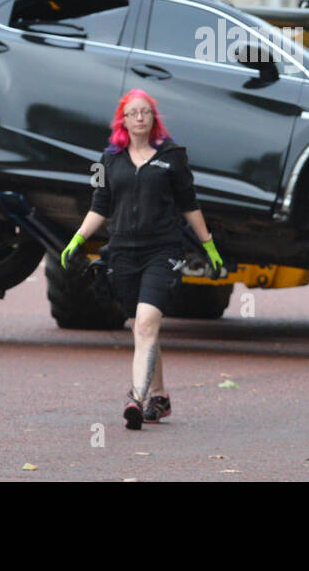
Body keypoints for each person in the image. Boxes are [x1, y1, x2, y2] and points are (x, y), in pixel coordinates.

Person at [60, 89, 223, 430]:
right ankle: (160, 397)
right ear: (122, 120)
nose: (139, 118)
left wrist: (208, 245)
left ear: (153, 119)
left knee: (147, 324)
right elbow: (99, 206)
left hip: (163, 250)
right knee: (141, 329)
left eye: (145, 112)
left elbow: (189, 204)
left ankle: (136, 397)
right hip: (121, 253)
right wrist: (77, 239)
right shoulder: (107, 160)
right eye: (132, 113)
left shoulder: (173, 157)